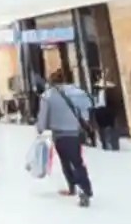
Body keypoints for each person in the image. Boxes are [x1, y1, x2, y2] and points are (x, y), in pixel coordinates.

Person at [38, 70, 94, 207]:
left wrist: (41, 130)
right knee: (77, 162)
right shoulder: (76, 92)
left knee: (65, 161)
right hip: (74, 133)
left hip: (59, 134)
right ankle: (85, 189)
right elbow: (86, 110)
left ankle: (74, 188)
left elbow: (42, 119)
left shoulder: (48, 96)